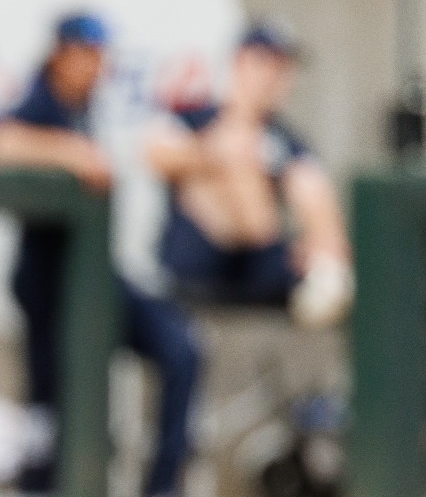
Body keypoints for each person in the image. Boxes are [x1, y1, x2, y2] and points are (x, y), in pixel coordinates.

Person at [0, 11, 200, 497]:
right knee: (50, 402)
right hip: (48, 280)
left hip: (94, 279)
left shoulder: (84, 106)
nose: (96, 66)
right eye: (86, 54)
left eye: (101, 56)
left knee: (180, 349)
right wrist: (71, 151)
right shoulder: (43, 101)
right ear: (61, 54)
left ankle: (162, 492)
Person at [147, 18, 353, 329]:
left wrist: (323, 251)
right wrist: (219, 156)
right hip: (195, 260)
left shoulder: (285, 141)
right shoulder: (197, 117)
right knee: (233, 152)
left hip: (259, 263)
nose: (282, 79)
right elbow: (156, 152)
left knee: (300, 188)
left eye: (287, 69)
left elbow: (312, 194)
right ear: (243, 63)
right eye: (273, 66)